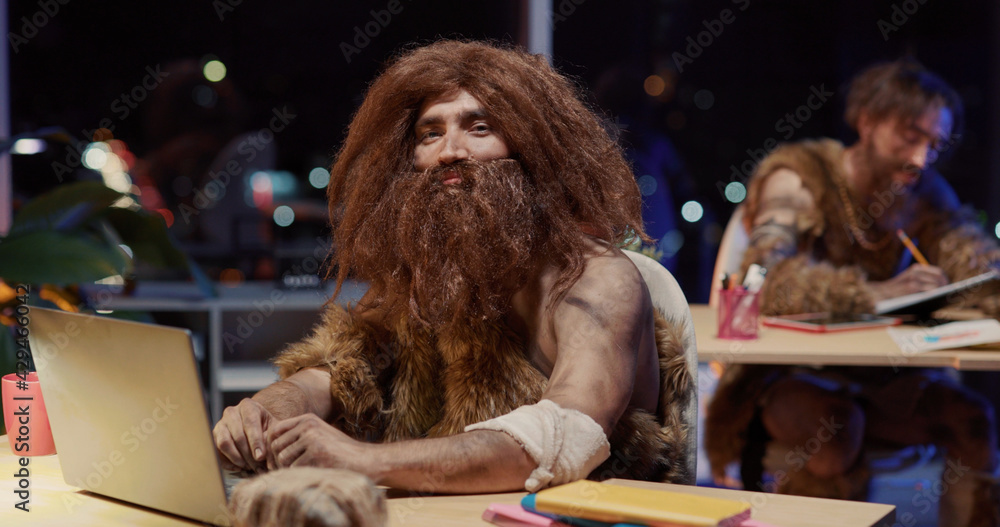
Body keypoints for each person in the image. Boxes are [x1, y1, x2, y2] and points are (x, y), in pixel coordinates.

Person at [213, 40, 695, 500]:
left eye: (479, 128)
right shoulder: (428, 278)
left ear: (535, 151)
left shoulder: (594, 280)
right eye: (430, 133)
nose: (450, 151)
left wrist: (362, 460)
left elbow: (567, 437)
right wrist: (268, 411)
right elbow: (339, 374)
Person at [705, 59, 1000, 527]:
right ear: (867, 120)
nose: (922, 158)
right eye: (910, 134)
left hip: (881, 380)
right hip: (782, 378)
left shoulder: (924, 193)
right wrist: (875, 294)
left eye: (934, 144)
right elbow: (765, 277)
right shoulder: (800, 176)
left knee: (973, 421)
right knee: (837, 431)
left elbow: (977, 262)